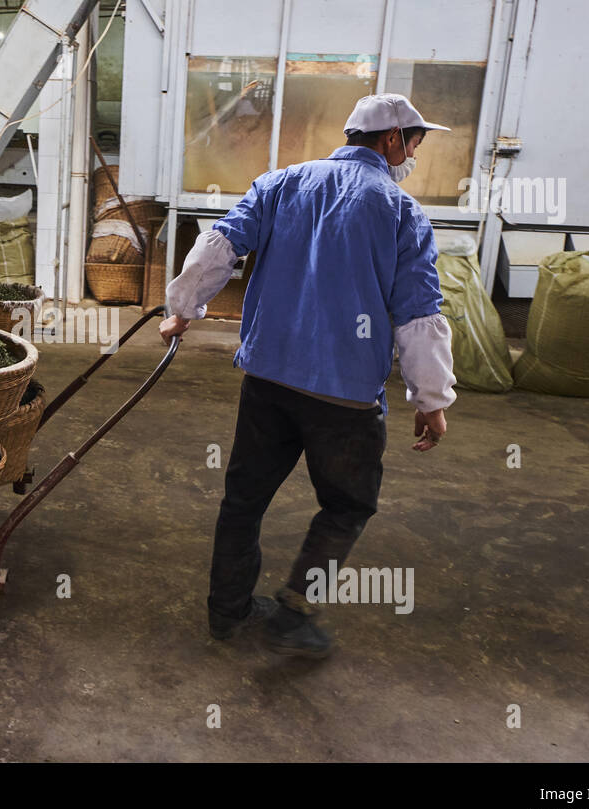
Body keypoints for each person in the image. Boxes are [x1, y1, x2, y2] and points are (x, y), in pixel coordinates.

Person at [160, 92, 458, 659]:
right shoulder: (401, 211)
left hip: (268, 379)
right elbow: (419, 310)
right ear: (391, 139)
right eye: (415, 140)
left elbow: (218, 244)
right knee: (347, 505)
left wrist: (183, 309)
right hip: (344, 397)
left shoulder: (280, 183)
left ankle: (226, 613)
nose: (415, 152)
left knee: (244, 498)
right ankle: (294, 611)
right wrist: (431, 398)